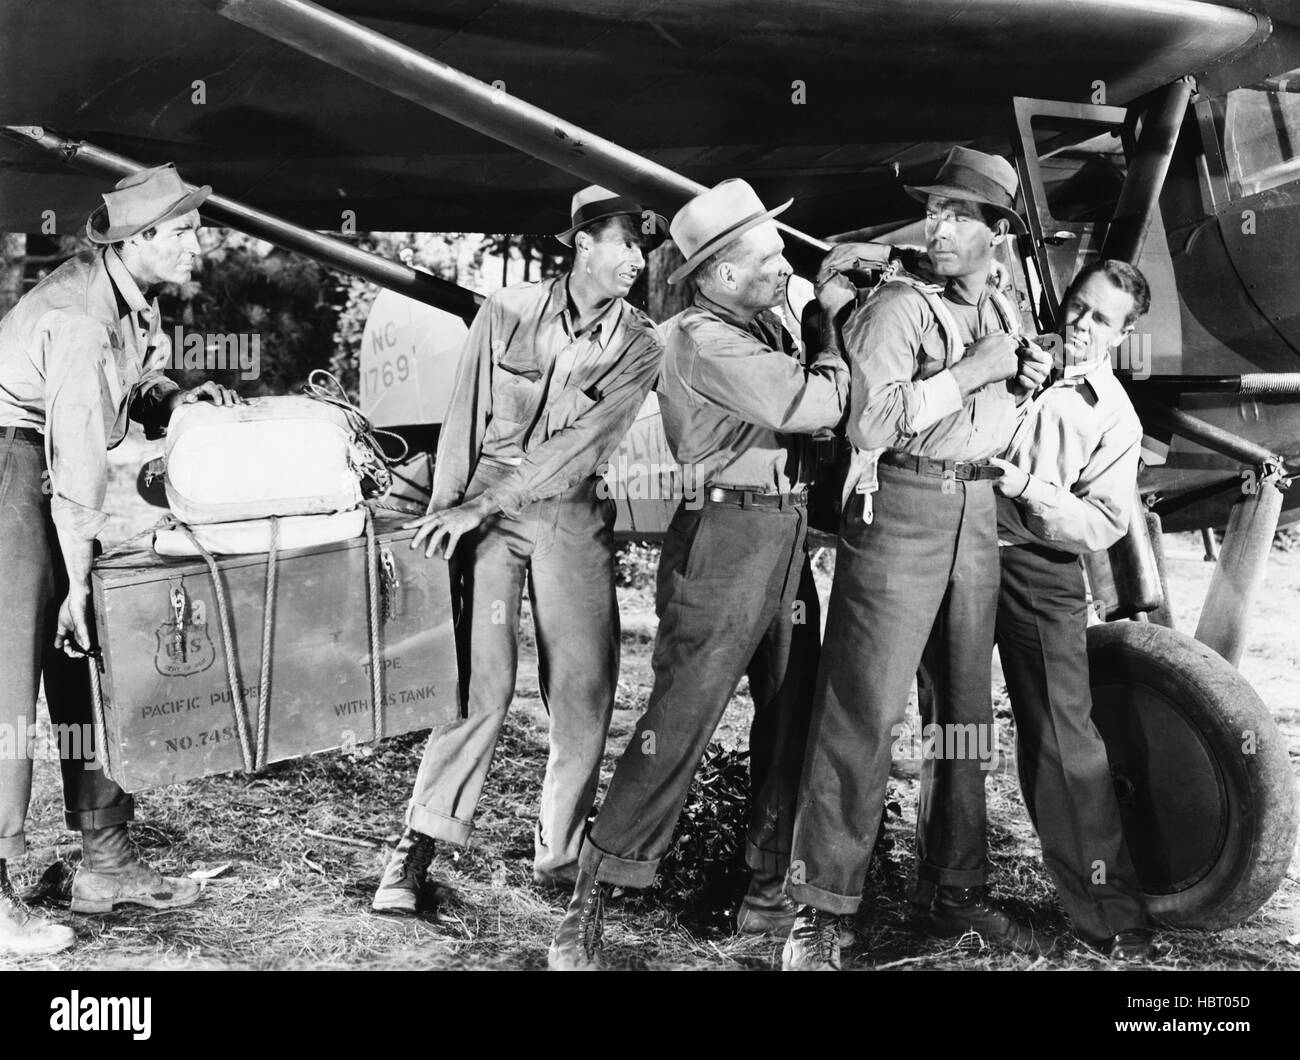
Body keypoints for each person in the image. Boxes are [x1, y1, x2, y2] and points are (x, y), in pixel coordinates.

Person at [548, 178, 852, 970]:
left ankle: (765, 899)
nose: (786, 266)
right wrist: (828, 324)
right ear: (720, 274)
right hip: (725, 541)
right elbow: (814, 406)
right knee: (677, 724)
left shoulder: (752, 323)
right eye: (770, 257)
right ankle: (591, 900)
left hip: (781, 535)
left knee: (791, 721)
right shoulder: (700, 338)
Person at [783, 147, 1053, 970]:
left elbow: (1003, 383)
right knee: (864, 708)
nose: (940, 228)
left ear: (1000, 235)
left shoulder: (1006, 306)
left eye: (962, 216)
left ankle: (953, 890)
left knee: (965, 715)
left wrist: (1028, 374)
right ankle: (821, 911)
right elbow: (870, 426)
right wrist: (978, 370)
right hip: (900, 507)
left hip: (976, 511)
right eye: (937, 212)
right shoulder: (899, 308)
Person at [371, 187, 667, 913]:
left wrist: (481, 503)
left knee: (585, 690)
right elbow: (464, 421)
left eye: (643, 248)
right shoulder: (506, 312)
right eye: (624, 243)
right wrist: (448, 520)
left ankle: (561, 856)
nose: (636, 259)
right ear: (582, 244)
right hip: (488, 522)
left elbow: (581, 444)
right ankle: (417, 845)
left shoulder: (640, 344)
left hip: (570, 517)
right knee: (480, 682)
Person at [0, 163, 240, 956]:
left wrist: (173, 397)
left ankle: (104, 860)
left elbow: (131, 383)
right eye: (182, 230)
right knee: (8, 692)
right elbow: (73, 477)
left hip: (43, 472)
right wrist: (74, 578)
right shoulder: (76, 318)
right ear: (139, 241)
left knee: (84, 662)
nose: (196, 242)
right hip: (12, 473)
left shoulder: (122, 298)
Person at [979, 259, 1154, 961]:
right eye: (1078, 307)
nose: (1082, 326)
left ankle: (1105, 910)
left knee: (1063, 734)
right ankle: (948, 890)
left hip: (1037, 565)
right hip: (950, 544)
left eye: (1101, 319)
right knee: (951, 728)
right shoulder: (1000, 353)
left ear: (1122, 333)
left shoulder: (1115, 416)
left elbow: (1099, 525)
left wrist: (1024, 486)